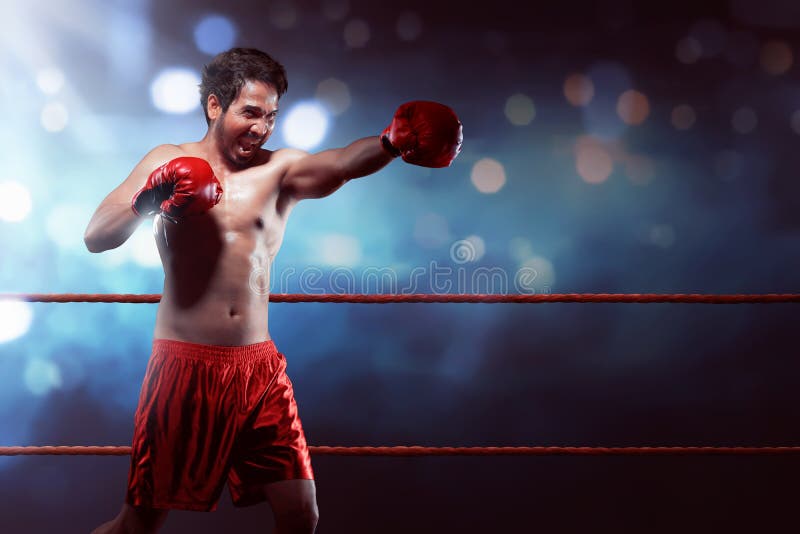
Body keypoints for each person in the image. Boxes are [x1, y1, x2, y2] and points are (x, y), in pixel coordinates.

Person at [84, 47, 462, 534]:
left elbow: (343, 163)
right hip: (184, 365)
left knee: (300, 514)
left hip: (258, 369)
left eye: (270, 116)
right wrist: (151, 196)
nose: (262, 128)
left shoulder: (280, 170)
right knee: (137, 526)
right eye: (250, 113)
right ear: (215, 106)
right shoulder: (168, 159)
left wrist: (391, 143)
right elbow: (97, 237)